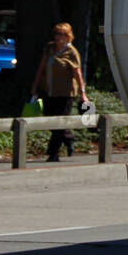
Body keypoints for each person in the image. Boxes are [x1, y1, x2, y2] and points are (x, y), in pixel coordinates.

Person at [30, 22, 88, 162]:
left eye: (62, 34)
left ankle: (53, 153)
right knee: (50, 119)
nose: (58, 37)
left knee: (60, 122)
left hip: (66, 93)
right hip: (49, 91)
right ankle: (68, 138)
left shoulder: (71, 52)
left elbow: (77, 73)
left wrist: (83, 93)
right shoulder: (49, 48)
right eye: (57, 33)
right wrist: (35, 86)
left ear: (68, 36)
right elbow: (41, 67)